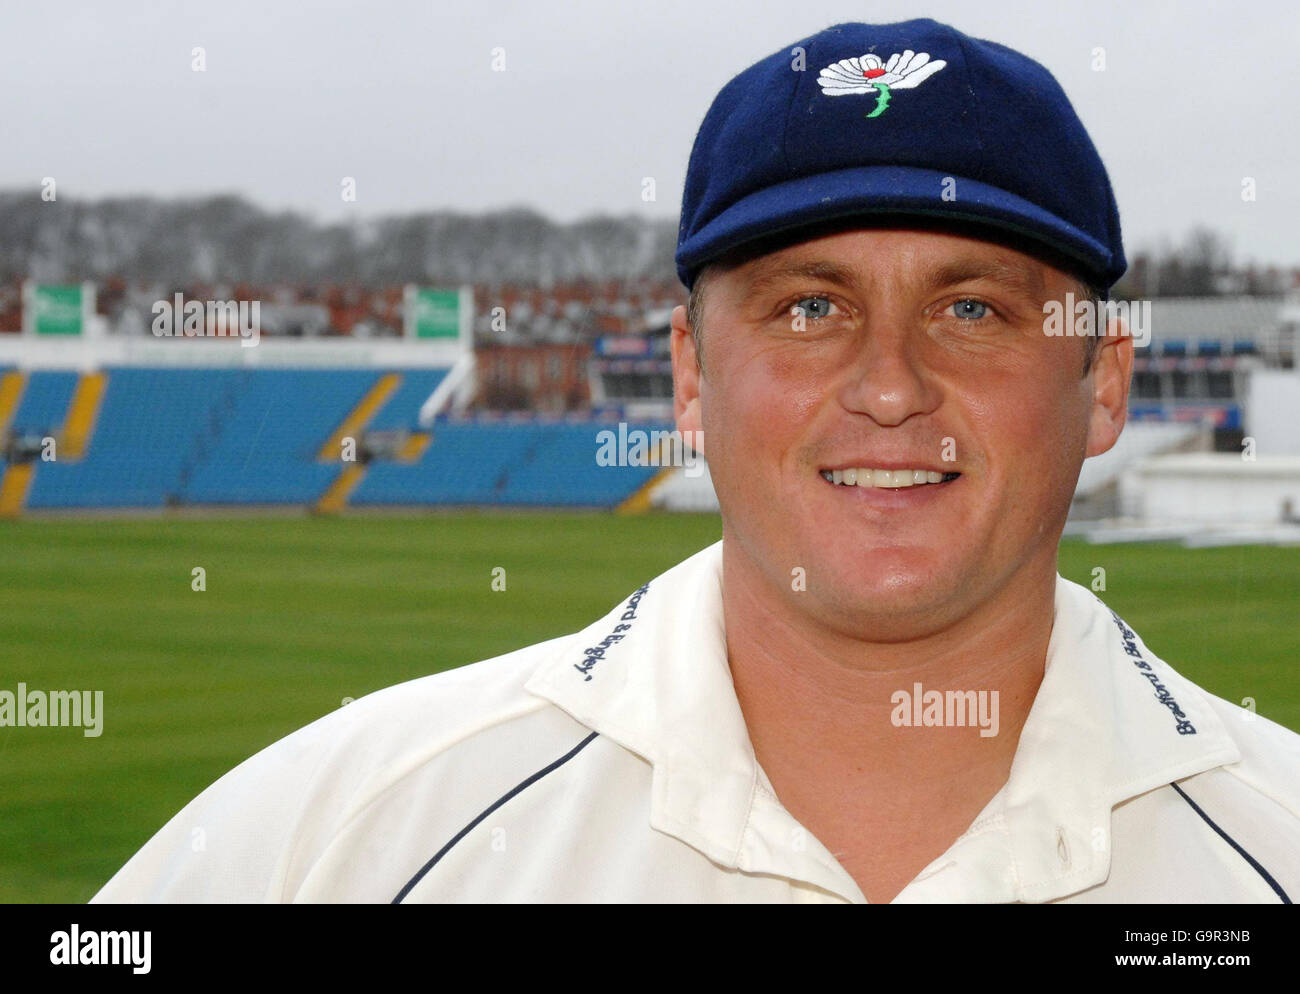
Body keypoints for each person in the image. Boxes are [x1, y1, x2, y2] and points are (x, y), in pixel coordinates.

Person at [93, 17, 1298, 904]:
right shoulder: (341, 837)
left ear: (1105, 383)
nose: (889, 386)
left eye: (972, 309)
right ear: (687, 375)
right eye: (807, 309)